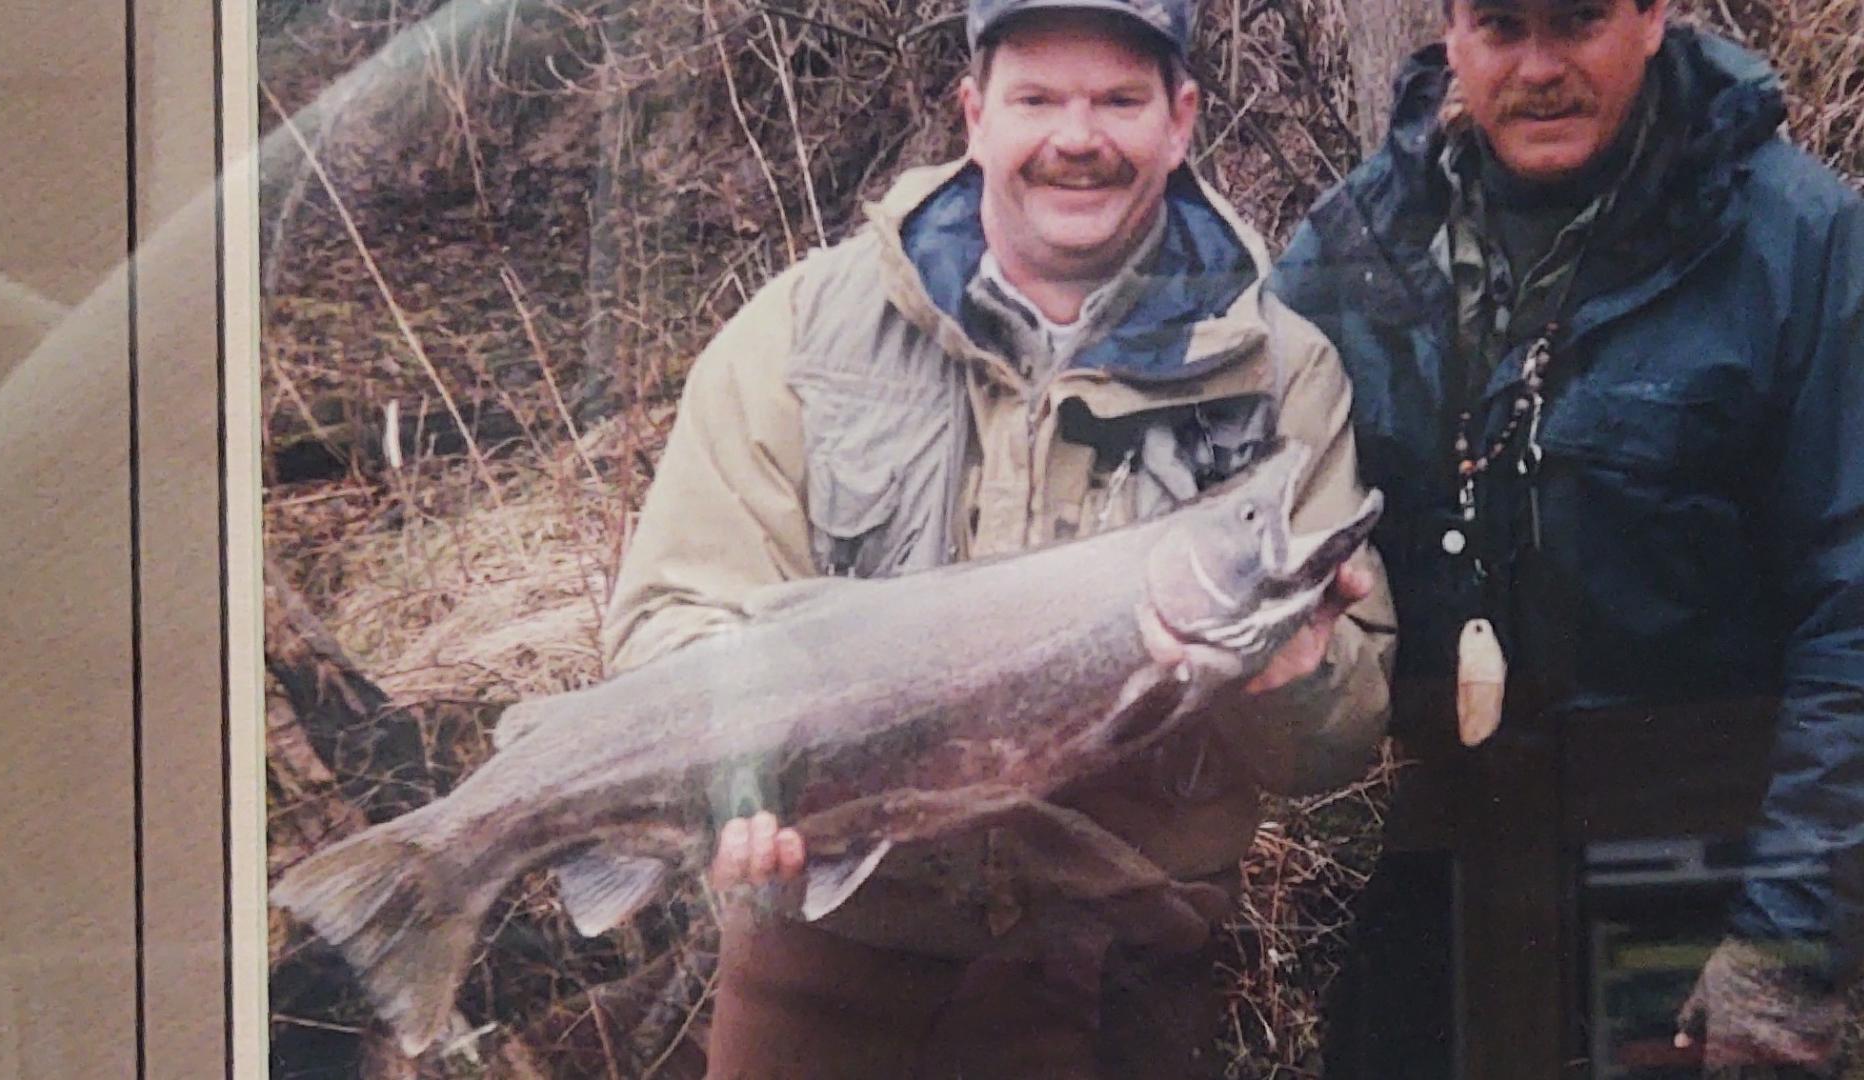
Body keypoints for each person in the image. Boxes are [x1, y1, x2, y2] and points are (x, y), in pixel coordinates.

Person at [599, 0, 1397, 1075]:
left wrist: (1295, 676)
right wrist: (740, 775)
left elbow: (1337, 748)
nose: (1078, 138)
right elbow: (670, 615)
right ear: (974, 114)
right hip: (823, 983)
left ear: (1183, 119)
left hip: (1123, 990)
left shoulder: (1280, 373)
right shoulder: (798, 335)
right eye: (1037, 99)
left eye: (1119, 99)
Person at [1271, 0, 1864, 1072]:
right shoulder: (1359, 245)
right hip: (1453, 879)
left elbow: (1853, 609)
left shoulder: (1799, 245)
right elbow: (1231, 485)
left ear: (1652, 18)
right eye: (1501, 27)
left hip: (1695, 890)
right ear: (1450, 33)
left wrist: (1788, 940)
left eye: (1577, 21)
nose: (1540, 69)